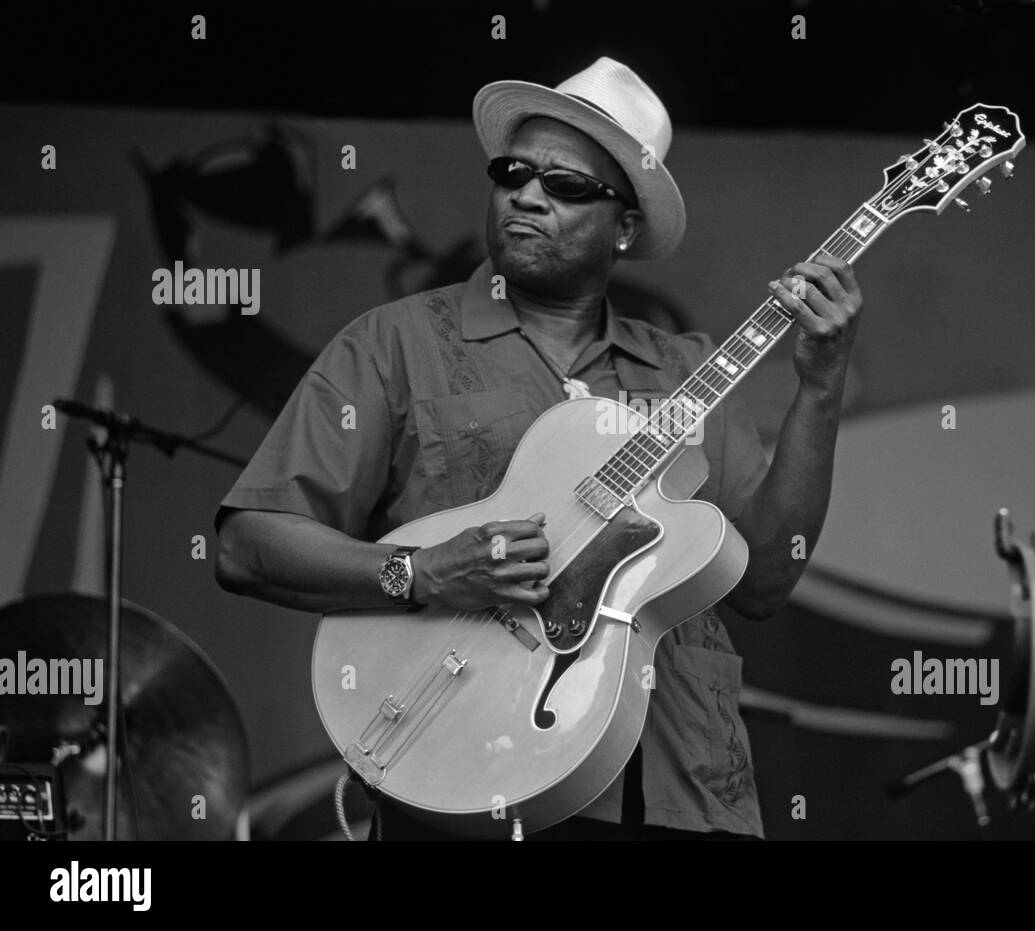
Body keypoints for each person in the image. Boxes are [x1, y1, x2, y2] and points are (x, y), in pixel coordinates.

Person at [214, 57, 863, 840]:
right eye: (513, 172)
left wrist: (821, 388)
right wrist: (418, 572)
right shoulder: (395, 344)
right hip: (468, 780)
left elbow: (760, 580)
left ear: (625, 225)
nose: (527, 194)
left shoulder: (691, 371)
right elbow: (249, 545)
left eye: (566, 186)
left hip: (682, 797)